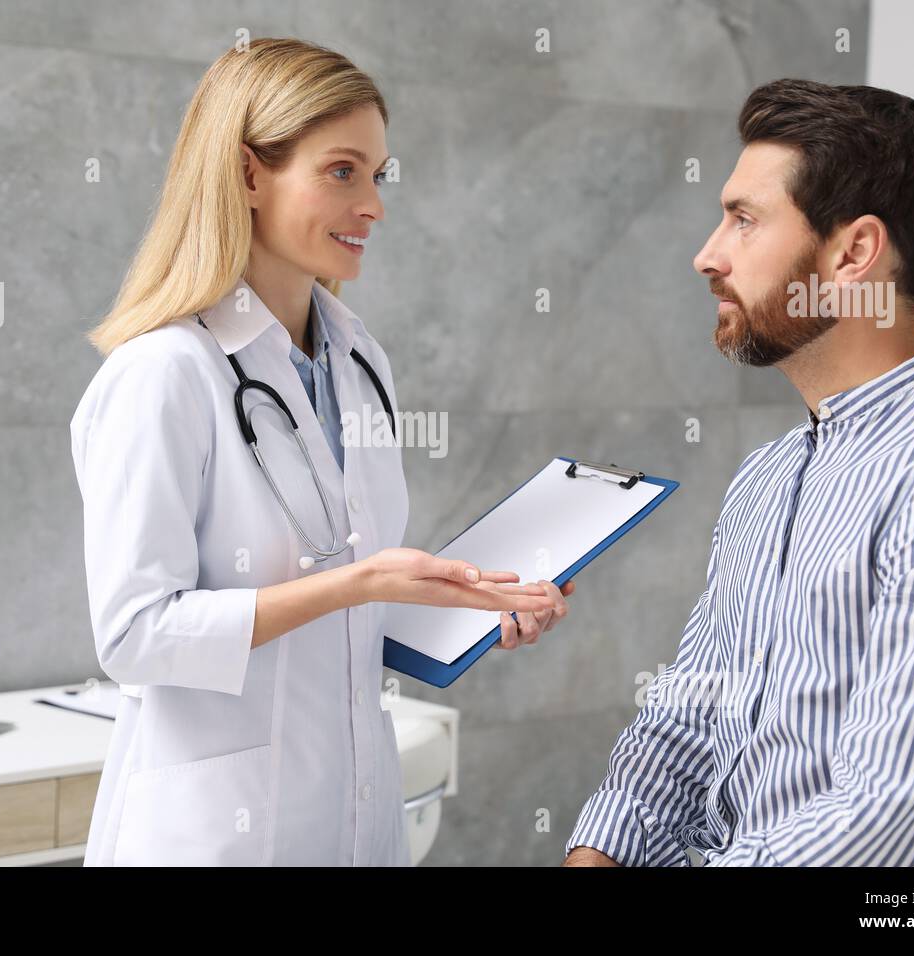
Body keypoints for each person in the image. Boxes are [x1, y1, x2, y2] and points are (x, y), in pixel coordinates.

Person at [70, 38, 573, 866]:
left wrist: (479, 602)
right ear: (247, 173)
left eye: (379, 174)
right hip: (213, 834)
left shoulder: (358, 359)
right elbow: (135, 634)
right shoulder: (164, 374)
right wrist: (358, 583)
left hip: (350, 821)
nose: (373, 204)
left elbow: (353, 609)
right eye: (343, 171)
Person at [565, 79, 914, 867]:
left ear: (852, 253)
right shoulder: (770, 474)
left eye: (744, 221)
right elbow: (687, 715)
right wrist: (597, 855)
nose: (707, 255)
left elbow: (887, 818)